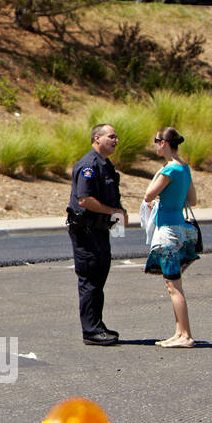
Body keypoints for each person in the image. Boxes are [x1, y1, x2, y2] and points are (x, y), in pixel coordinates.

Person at [67, 124, 128, 345]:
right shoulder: (89, 165)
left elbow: (111, 198)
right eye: (111, 136)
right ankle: (91, 331)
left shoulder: (106, 165)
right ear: (97, 138)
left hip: (100, 230)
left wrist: (119, 216)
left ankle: (97, 325)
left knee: (99, 278)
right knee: (90, 279)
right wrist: (113, 211)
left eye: (116, 137)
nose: (116, 140)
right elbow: (85, 200)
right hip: (86, 231)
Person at [143, 127, 199, 348]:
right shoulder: (184, 168)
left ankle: (186, 336)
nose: (155, 144)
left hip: (168, 231)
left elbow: (148, 194)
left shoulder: (169, 170)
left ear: (164, 143)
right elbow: (192, 200)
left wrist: (159, 175)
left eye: (156, 141)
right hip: (181, 229)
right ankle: (179, 332)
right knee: (174, 284)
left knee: (173, 286)